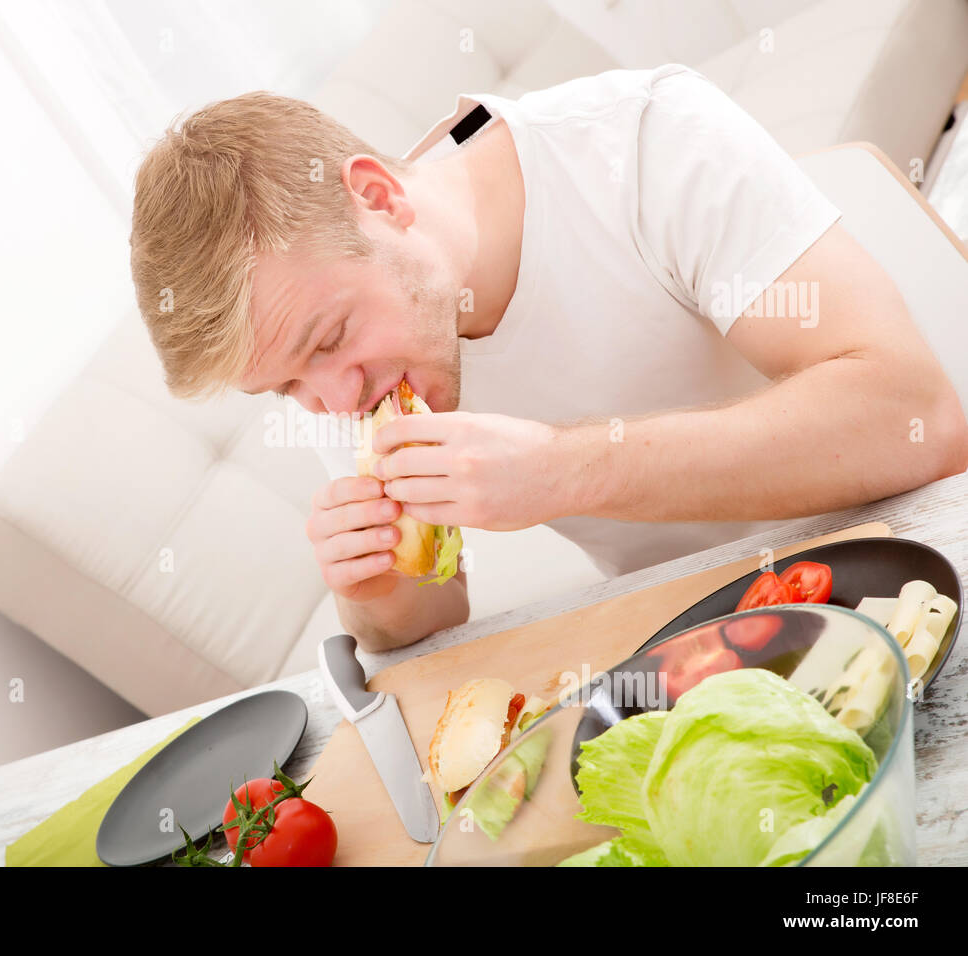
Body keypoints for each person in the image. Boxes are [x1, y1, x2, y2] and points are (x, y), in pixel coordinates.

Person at [128, 64, 968, 652]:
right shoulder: (340, 368)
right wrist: (374, 594)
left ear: (379, 199)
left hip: (922, 565)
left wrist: (567, 471)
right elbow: (435, 615)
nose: (333, 400)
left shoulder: (646, 139)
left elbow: (915, 420)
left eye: (329, 340)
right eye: (284, 388)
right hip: (712, 647)